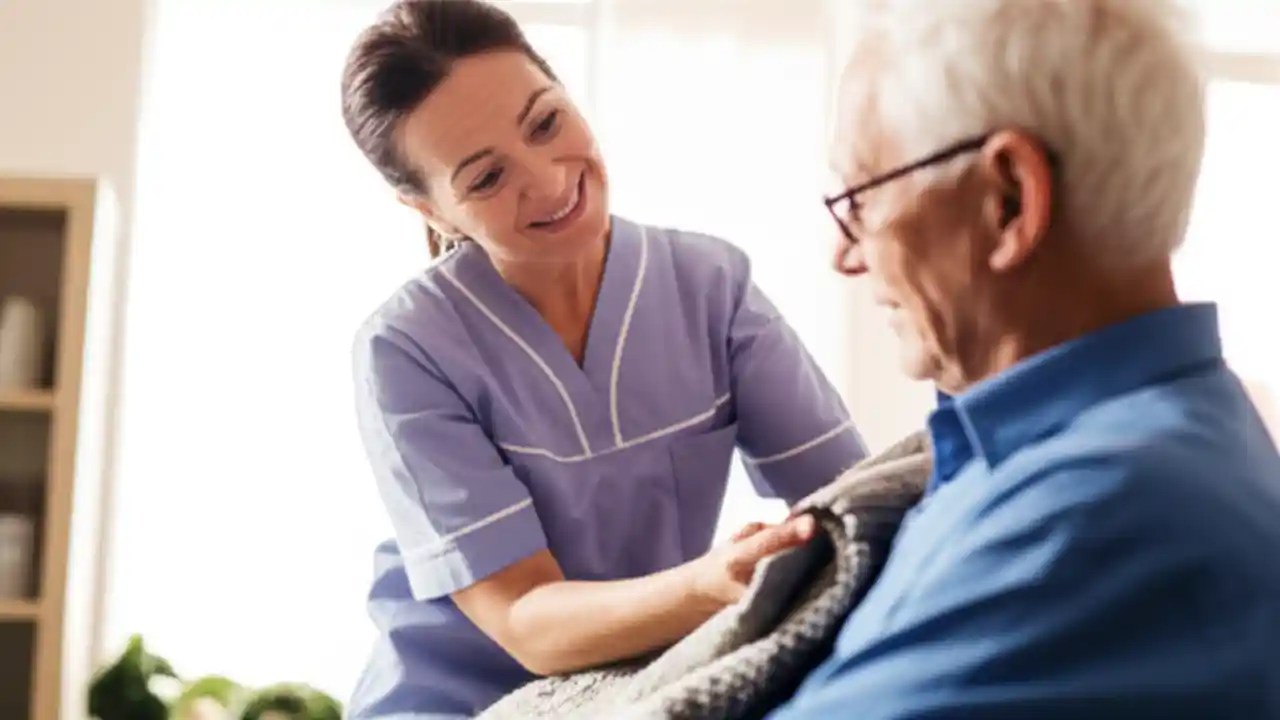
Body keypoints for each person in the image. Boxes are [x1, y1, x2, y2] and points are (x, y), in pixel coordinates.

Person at [339, 1, 866, 716]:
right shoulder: (407, 350)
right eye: (487, 178)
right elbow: (526, 618)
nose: (549, 181)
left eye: (546, 123)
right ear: (429, 209)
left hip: (640, 682)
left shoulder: (711, 288)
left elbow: (852, 491)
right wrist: (710, 584)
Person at [769, 0, 1280, 718]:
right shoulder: (1114, 451)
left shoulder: (1098, 509)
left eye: (862, 198)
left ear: (1008, 201)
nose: (844, 255)